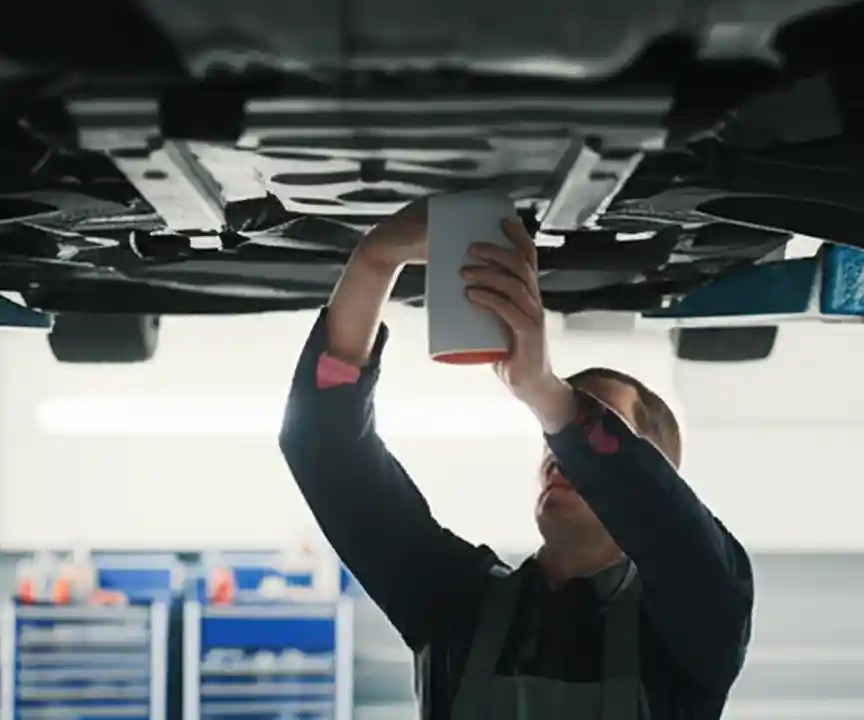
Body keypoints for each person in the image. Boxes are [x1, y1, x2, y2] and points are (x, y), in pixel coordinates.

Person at [279, 198, 754, 720]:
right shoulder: (456, 605)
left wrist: (545, 392)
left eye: (583, 424)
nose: (557, 447)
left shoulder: (693, 630)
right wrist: (375, 261)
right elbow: (326, 447)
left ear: (652, 470)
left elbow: (679, 538)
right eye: (552, 435)